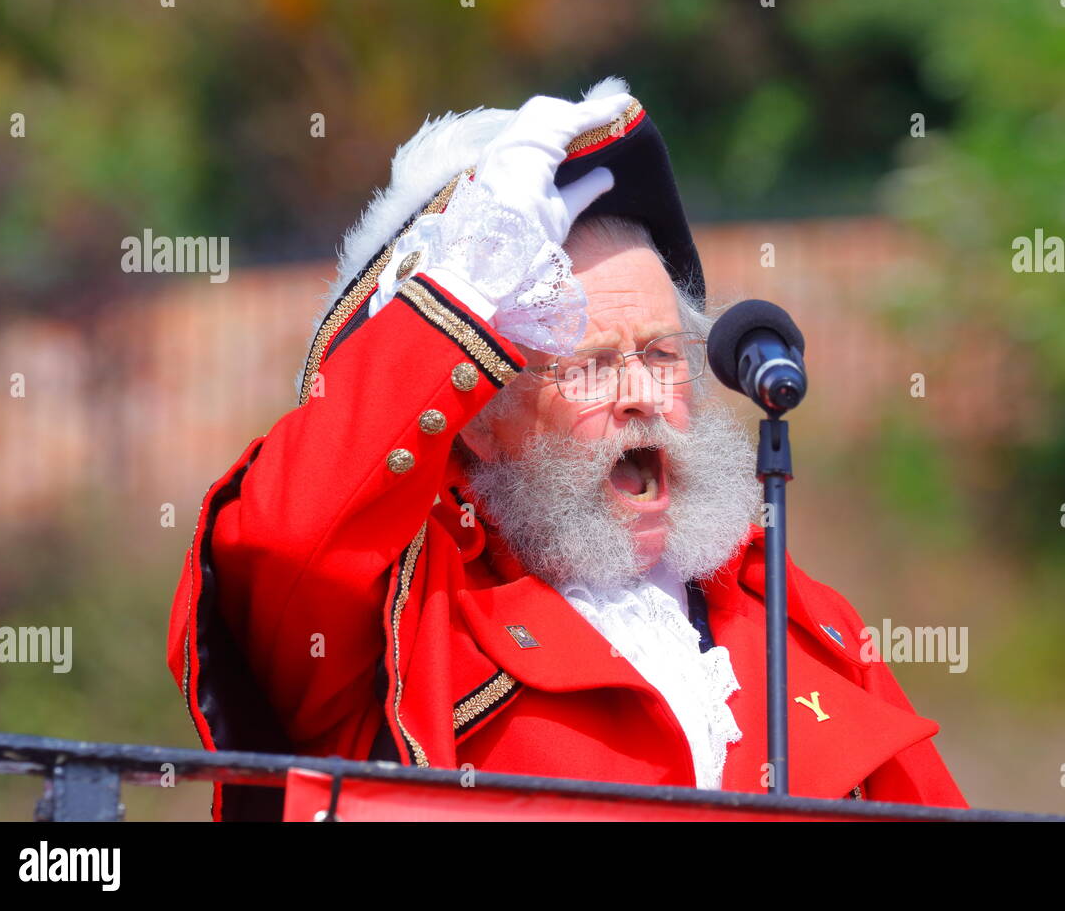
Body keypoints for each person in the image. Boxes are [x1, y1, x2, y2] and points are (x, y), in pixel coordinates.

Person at [166, 76, 967, 820]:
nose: (640, 393)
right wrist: (466, 289)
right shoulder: (411, 622)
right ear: (478, 415)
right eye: (588, 366)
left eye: (660, 355)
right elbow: (282, 538)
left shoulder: (804, 621)